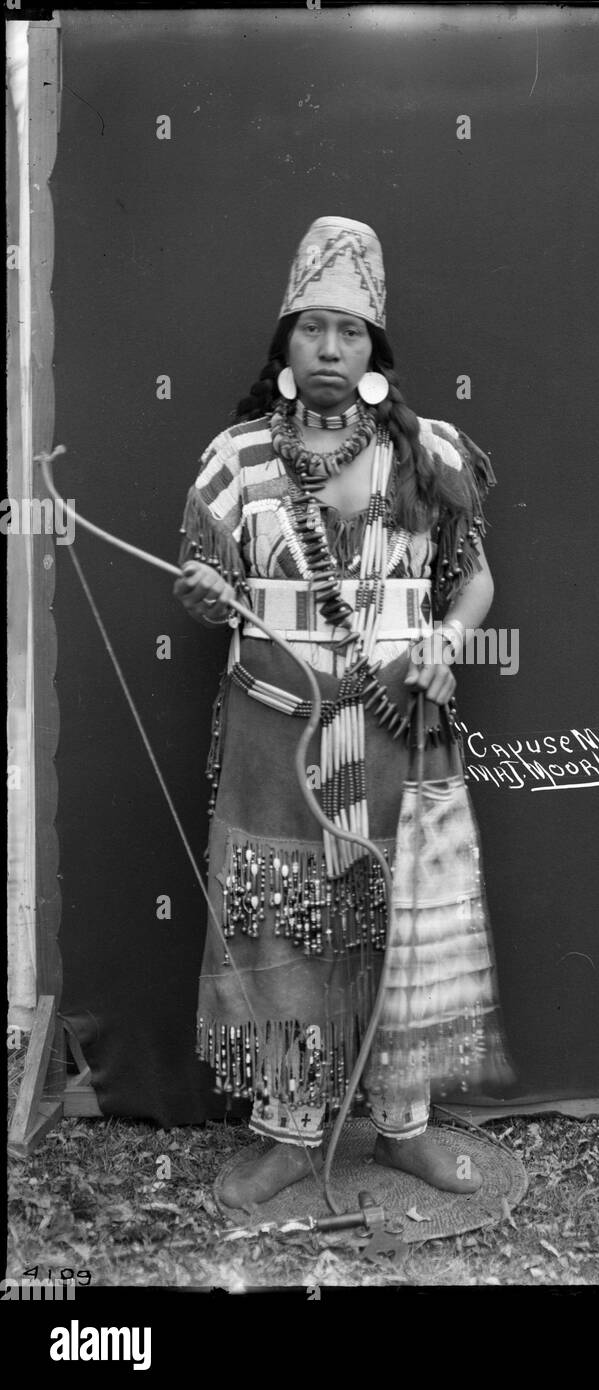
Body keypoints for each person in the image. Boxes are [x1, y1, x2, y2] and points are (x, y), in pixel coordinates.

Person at [173, 216, 512, 1211]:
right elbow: (202, 581)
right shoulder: (234, 461)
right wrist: (198, 591)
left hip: (402, 724)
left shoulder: (428, 454)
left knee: (402, 919)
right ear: (284, 345)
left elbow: (475, 580)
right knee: (282, 918)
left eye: (349, 332)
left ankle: (401, 1126)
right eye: (312, 328)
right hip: (277, 728)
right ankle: (284, 1131)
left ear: (375, 352)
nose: (329, 348)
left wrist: (445, 642)